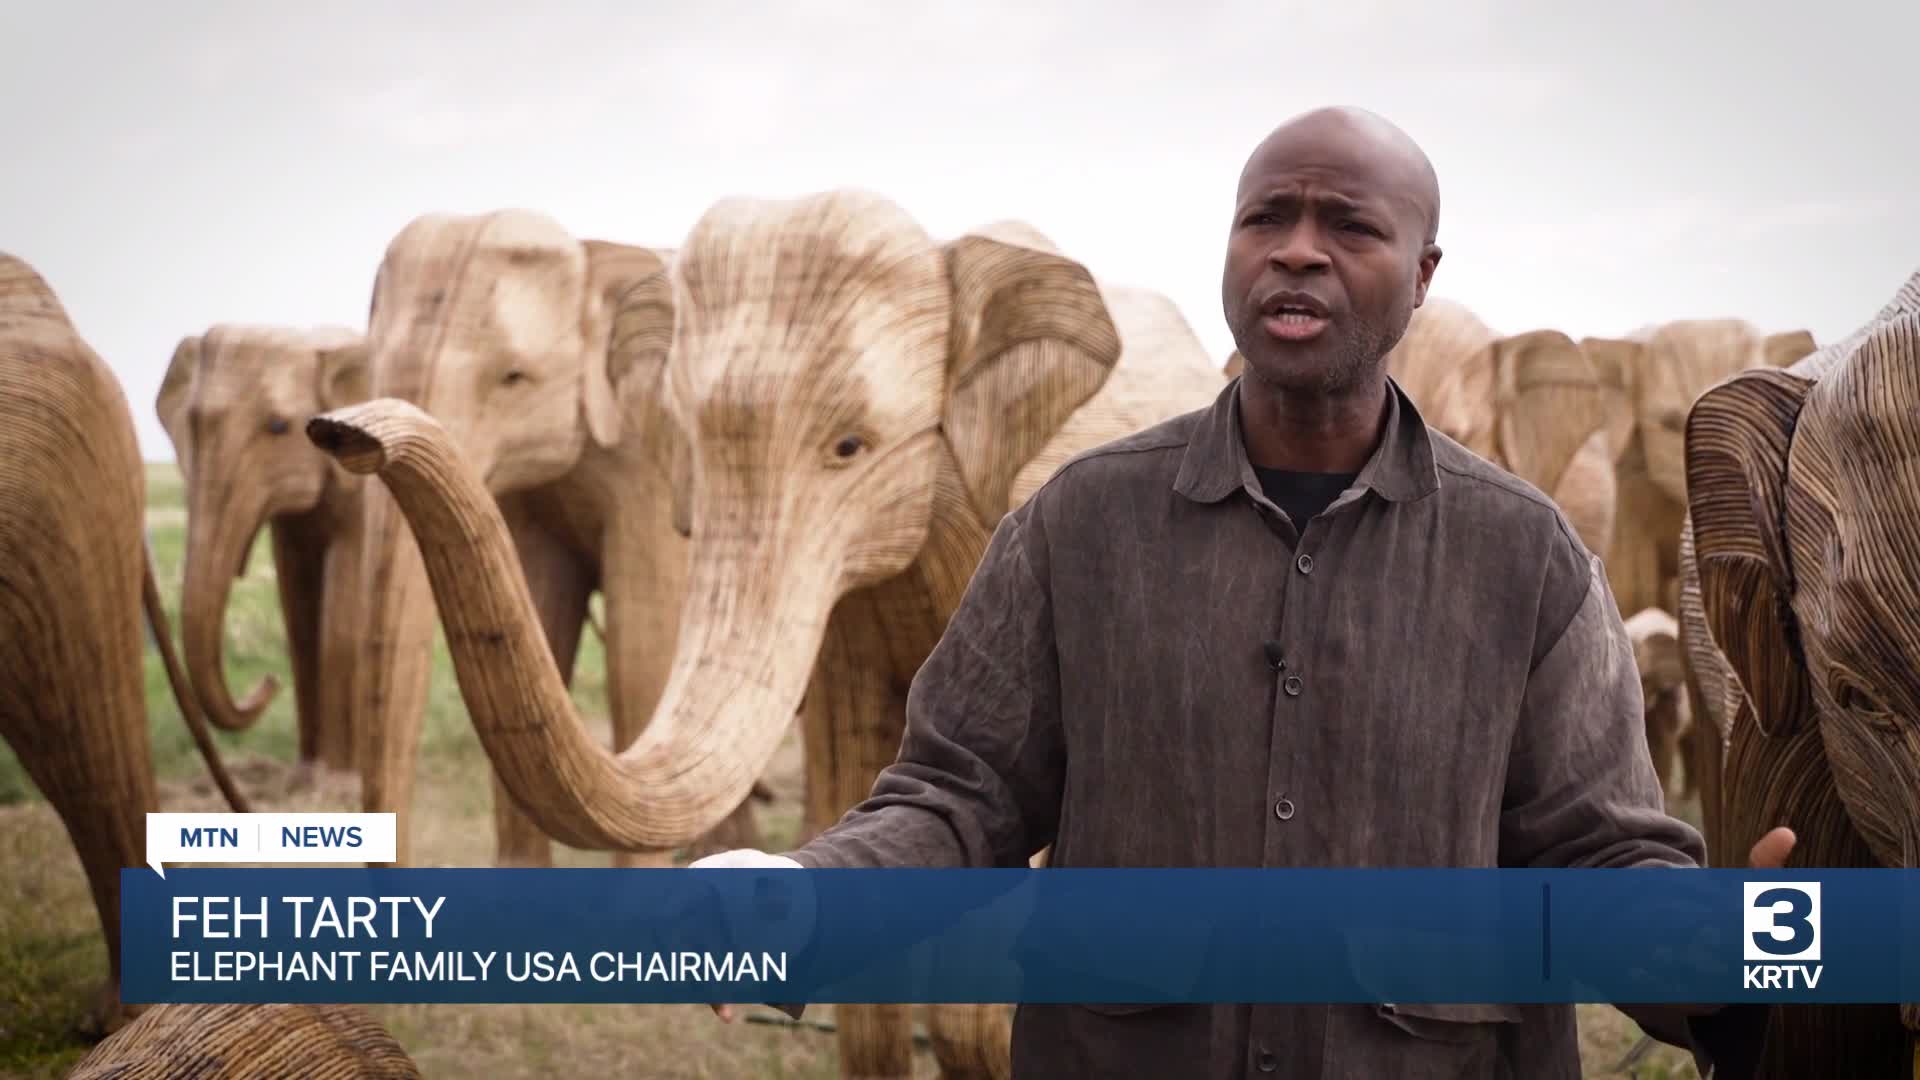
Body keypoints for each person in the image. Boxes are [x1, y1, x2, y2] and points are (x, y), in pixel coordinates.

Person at [693, 105, 1792, 1078]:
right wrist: (810, 891)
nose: (1297, 252)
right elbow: (958, 796)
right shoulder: (1079, 524)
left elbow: (1593, 852)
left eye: (1350, 227)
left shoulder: (1528, 556)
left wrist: (1701, 955)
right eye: (1266, 218)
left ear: (1422, 275)